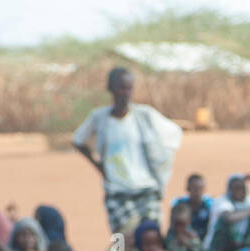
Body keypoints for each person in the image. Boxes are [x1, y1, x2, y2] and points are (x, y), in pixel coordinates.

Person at [72, 67, 182, 235]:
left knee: (151, 238)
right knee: (120, 243)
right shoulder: (99, 118)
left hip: (146, 189)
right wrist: (99, 166)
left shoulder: (144, 115)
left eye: (129, 88)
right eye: (121, 87)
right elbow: (78, 140)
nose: (125, 93)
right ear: (111, 89)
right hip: (117, 191)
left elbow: (173, 134)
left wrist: (159, 161)